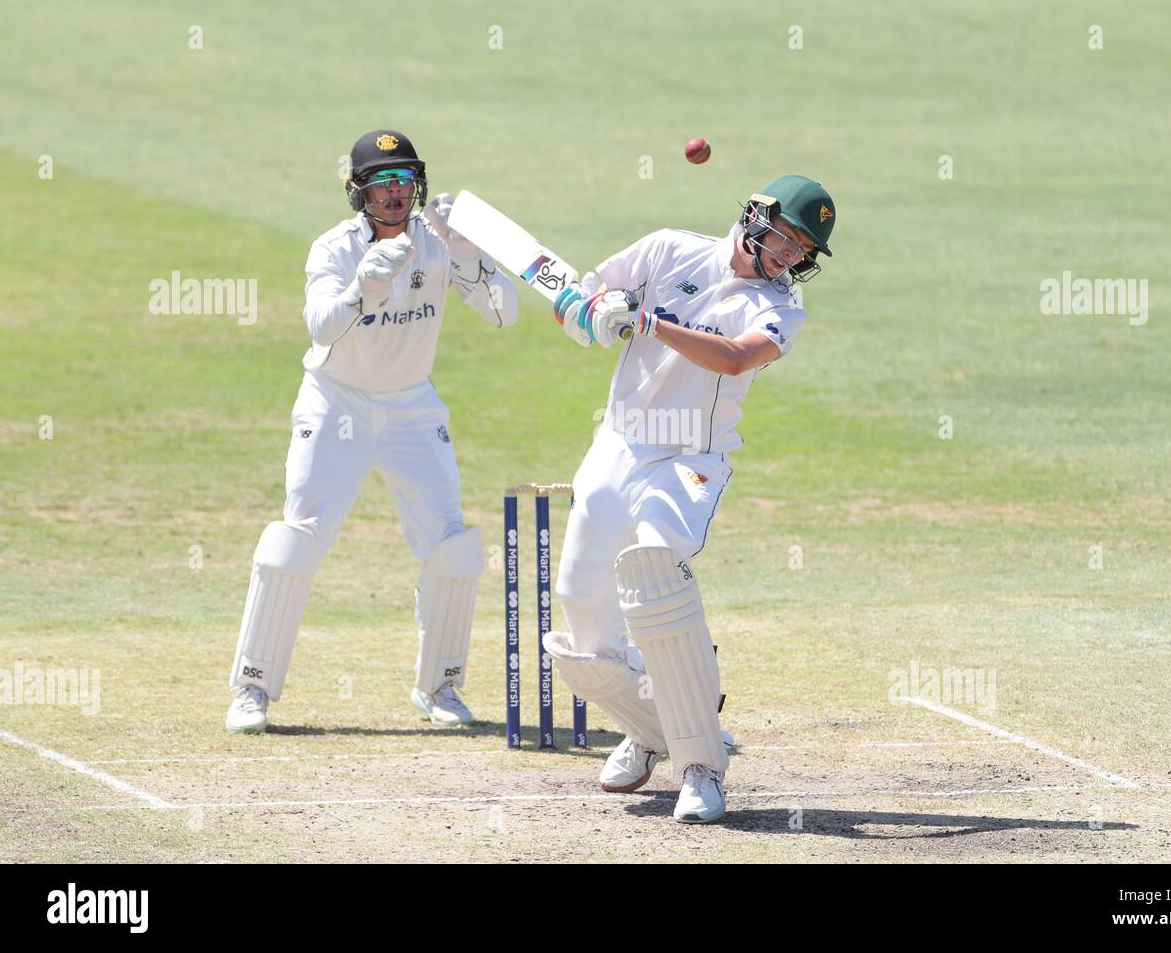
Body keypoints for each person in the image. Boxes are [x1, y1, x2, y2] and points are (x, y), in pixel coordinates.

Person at [544, 175, 835, 822]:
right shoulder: (668, 249)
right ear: (756, 217)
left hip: (691, 459)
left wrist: (648, 320)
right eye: (786, 236)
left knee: (654, 581)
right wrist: (590, 311)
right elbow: (575, 296)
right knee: (581, 603)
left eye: (803, 249)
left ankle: (702, 767)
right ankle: (650, 734)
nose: (790, 255)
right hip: (618, 444)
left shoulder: (781, 306)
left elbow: (735, 359)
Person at [225, 130, 518, 733]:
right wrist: (364, 288)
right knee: (298, 537)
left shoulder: (438, 242)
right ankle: (252, 688)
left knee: (452, 544)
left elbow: (501, 313)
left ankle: (441, 687)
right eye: (382, 183)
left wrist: (467, 254)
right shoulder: (332, 248)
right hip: (338, 403)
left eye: (404, 181)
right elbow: (321, 327)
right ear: (358, 191)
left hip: (412, 407)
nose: (394, 194)